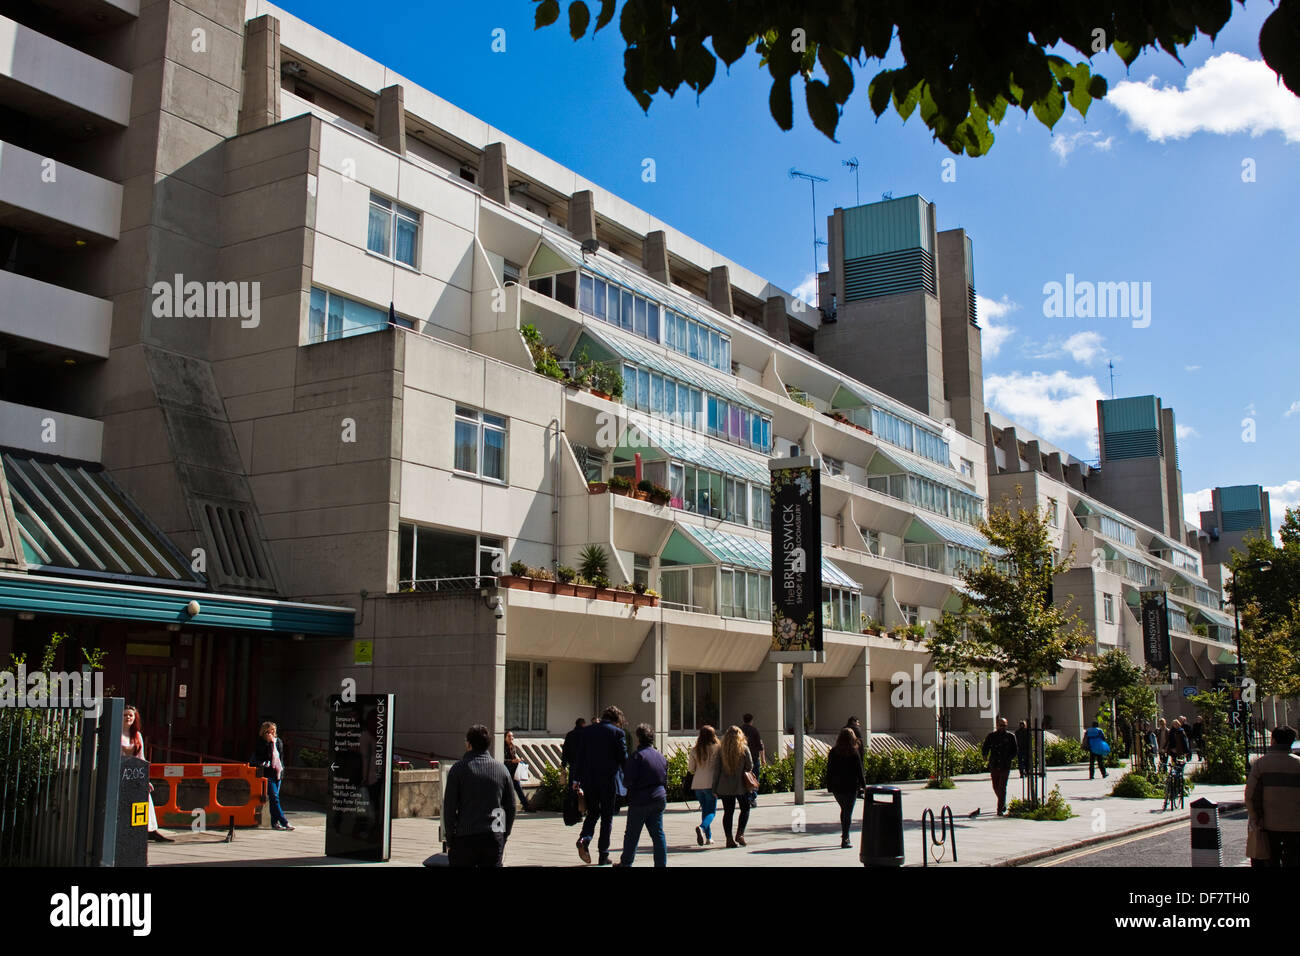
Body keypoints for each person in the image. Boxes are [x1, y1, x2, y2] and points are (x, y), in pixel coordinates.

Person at [442, 724, 516, 867]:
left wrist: (450, 840)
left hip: (464, 837)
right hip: (493, 836)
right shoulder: (502, 770)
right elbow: (511, 806)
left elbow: (449, 808)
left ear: (469, 744)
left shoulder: (458, 769)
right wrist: (504, 835)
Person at [573, 705, 627, 865]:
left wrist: (576, 780)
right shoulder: (618, 733)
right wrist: (630, 779)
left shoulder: (587, 731)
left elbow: (580, 757)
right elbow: (623, 759)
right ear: (616, 719)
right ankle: (603, 854)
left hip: (589, 780)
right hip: (608, 781)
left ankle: (584, 839)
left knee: (593, 813)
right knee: (607, 817)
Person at [1245, 725, 1300, 867]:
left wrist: (1256, 818)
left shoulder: (1261, 764)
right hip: (1296, 826)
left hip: (1268, 825)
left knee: (1270, 860)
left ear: (1273, 740)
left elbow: (1251, 796)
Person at [617, 724, 668, 867]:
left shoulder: (637, 756)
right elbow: (665, 779)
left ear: (638, 738)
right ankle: (661, 863)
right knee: (658, 834)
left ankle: (626, 862)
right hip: (658, 797)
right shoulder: (660, 756)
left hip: (640, 799)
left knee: (632, 834)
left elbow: (628, 780)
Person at [121, 705, 171, 843]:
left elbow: (141, 758)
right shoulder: (117, 734)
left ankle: (151, 829)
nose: (128, 718)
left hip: (135, 772)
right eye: (125, 715)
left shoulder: (137, 735)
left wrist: (145, 779)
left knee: (145, 797)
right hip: (121, 771)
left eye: (130, 715)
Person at [714, 725, 754, 847]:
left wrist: (714, 788)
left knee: (728, 812)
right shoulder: (744, 749)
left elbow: (717, 770)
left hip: (724, 786)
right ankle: (740, 834)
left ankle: (729, 839)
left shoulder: (721, 750)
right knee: (745, 808)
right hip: (740, 785)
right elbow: (750, 766)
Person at [826, 728, 866, 848]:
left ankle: (845, 835)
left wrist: (829, 786)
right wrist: (864, 786)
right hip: (851, 786)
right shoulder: (854, 752)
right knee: (847, 811)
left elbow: (829, 770)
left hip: (838, 787)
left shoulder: (833, 752)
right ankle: (845, 837)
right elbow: (860, 770)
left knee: (844, 809)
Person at [251, 720, 295, 831]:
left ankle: (274, 823)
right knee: (274, 798)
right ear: (264, 732)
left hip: (277, 773)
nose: (271, 733)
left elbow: (279, 756)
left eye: (273, 730)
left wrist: (273, 743)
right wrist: (269, 743)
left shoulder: (278, 741)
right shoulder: (261, 743)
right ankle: (284, 822)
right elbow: (264, 755)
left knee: (274, 799)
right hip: (267, 773)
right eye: (268, 731)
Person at [688, 725, 720, 846]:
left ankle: (708, 837)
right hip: (711, 783)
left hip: (698, 783)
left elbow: (691, 769)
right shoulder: (717, 748)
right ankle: (702, 828)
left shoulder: (695, 749)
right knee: (711, 812)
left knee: (705, 810)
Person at [981, 717, 1018, 815]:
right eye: (1001, 725)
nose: (1003, 727)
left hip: (1005, 765)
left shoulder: (1010, 736)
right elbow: (985, 746)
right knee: (995, 786)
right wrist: (985, 755)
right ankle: (1003, 802)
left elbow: (1015, 750)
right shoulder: (991, 736)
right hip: (994, 763)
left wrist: (1009, 758)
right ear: (997, 725)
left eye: (1004, 726)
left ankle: (999, 808)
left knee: (1002, 787)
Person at [502, 730, 531, 812]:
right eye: (509, 736)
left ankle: (526, 805)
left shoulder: (513, 747)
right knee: (506, 789)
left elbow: (513, 758)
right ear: (505, 738)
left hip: (514, 771)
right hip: (506, 770)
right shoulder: (502, 747)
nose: (511, 738)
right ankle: (506, 805)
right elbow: (501, 760)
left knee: (518, 787)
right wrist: (512, 761)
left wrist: (519, 761)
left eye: (512, 736)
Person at [740, 714, 764, 808]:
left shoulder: (739, 730)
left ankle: (745, 796)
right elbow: (760, 745)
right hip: (753, 757)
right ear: (751, 720)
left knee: (743, 778)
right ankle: (752, 798)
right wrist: (763, 758)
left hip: (741, 758)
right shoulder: (754, 730)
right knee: (754, 778)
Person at [561, 717, 586, 787]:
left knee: (572, 785)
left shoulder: (570, 734)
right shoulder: (586, 734)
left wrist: (564, 763)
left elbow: (565, 750)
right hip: (584, 764)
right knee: (583, 786)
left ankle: (572, 796)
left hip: (573, 763)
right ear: (583, 724)